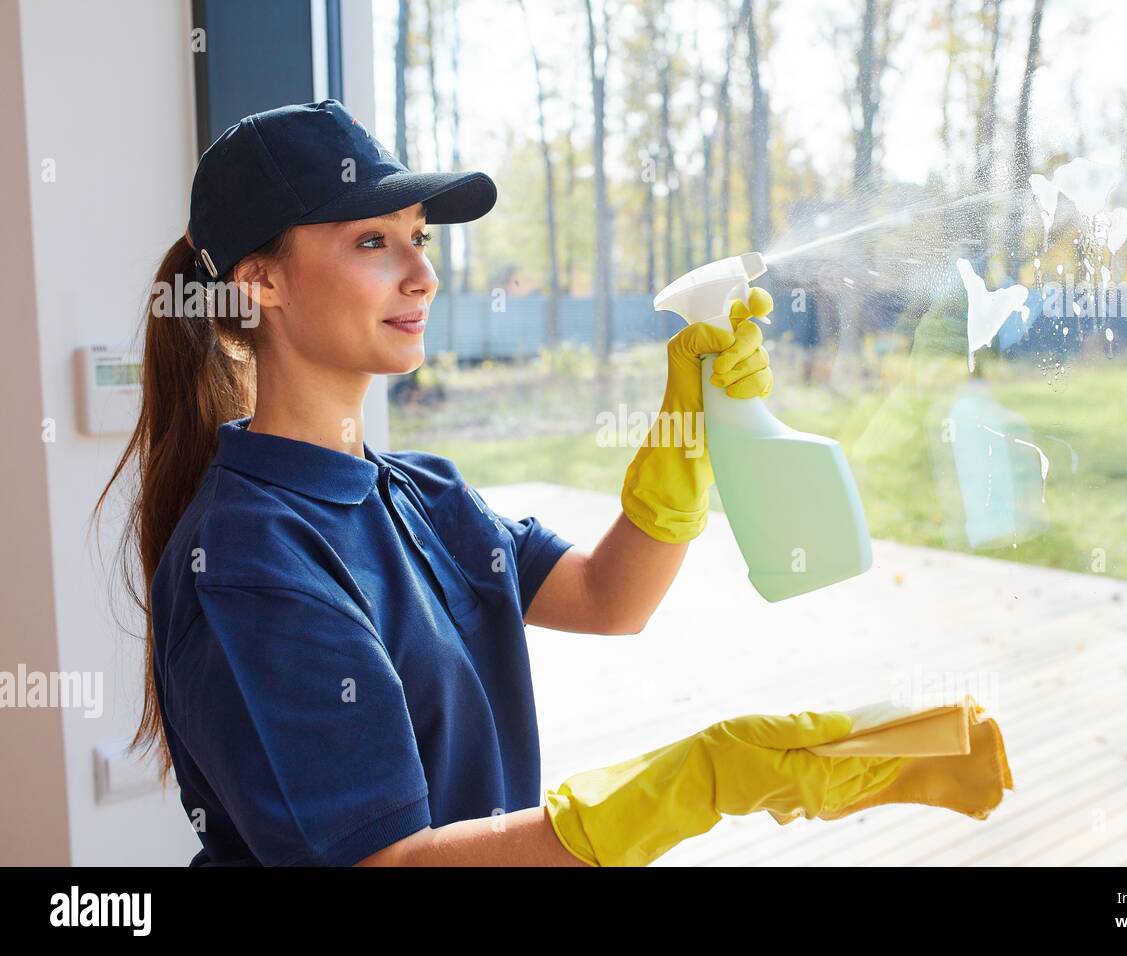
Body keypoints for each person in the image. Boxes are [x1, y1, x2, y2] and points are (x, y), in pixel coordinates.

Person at [96, 99, 901, 867]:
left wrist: (689, 430)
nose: (422, 274)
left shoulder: (423, 494)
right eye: (373, 242)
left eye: (420, 239)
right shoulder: (248, 558)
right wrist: (692, 785)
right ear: (260, 282)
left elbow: (609, 599)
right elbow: (387, 864)